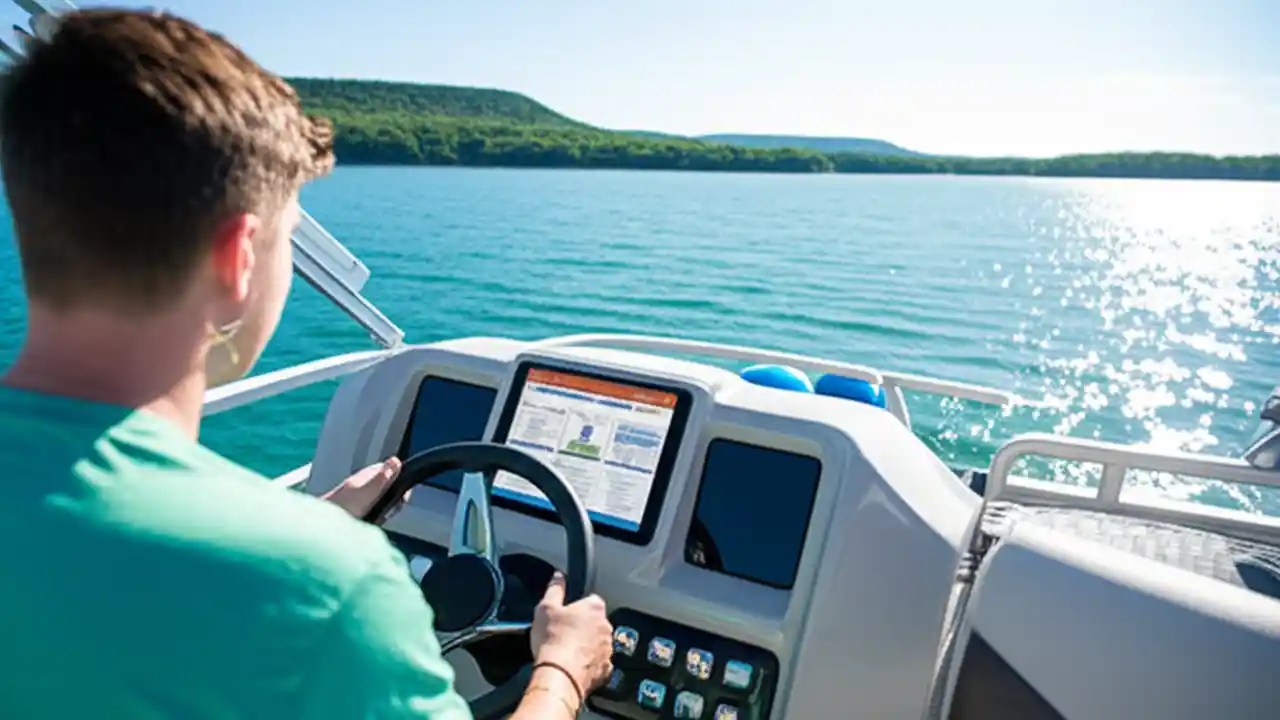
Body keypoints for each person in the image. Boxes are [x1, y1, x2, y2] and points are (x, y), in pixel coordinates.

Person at [0, 8, 612, 719]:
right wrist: (564, 671)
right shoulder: (328, 586)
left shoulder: (302, 563)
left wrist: (311, 522)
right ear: (236, 258)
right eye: (289, 236)